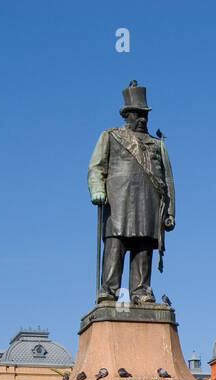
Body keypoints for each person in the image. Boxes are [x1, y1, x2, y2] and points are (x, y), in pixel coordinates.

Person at [88, 80, 175, 305]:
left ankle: (141, 291)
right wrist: (97, 188)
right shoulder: (111, 136)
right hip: (118, 203)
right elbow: (96, 166)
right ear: (127, 115)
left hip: (149, 204)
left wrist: (170, 212)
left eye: (145, 114)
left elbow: (167, 180)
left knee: (143, 247)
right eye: (138, 114)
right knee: (115, 244)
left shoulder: (158, 145)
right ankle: (108, 290)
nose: (142, 119)